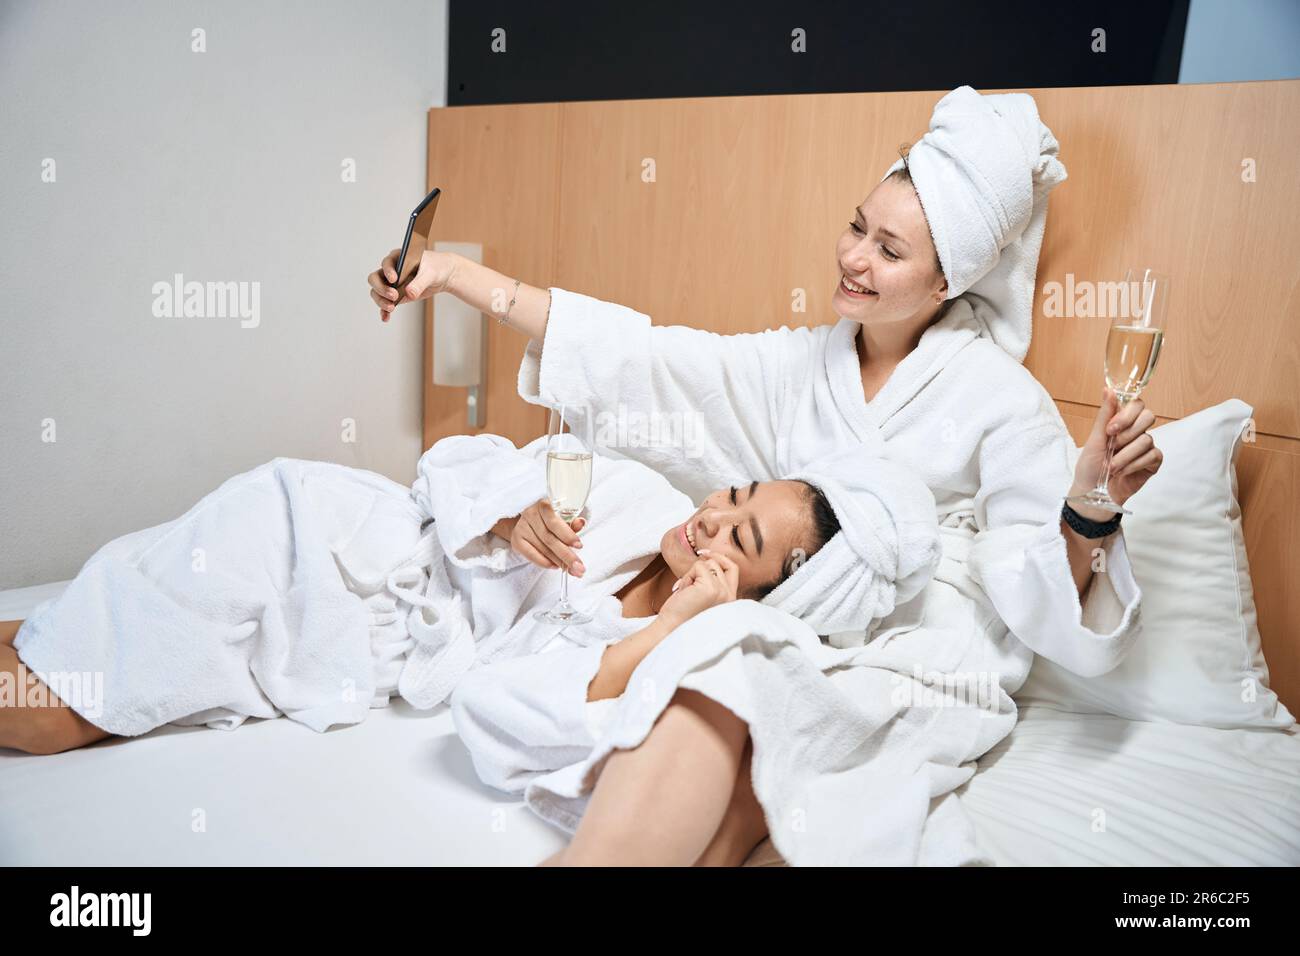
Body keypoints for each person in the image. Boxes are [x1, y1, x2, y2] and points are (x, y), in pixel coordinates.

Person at [365, 85, 1164, 865]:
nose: (854, 258)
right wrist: (452, 278)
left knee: (751, 715)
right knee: (725, 693)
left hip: (913, 663)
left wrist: (1092, 506)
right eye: (858, 227)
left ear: (947, 281)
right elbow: (644, 361)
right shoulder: (800, 365)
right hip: (793, 631)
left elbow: (1037, 591)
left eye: (889, 252)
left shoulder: (1002, 400)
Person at [0, 432, 936, 761]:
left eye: (743, 541)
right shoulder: (628, 491)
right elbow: (449, 466)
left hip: (342, 643)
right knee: (55, 709)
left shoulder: (679, 642)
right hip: (321, 536)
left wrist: (682, 619)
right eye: (731, 498)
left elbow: (521, 707)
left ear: (765, 593)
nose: (709, 523)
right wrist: (506, 518)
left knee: (80, 662)